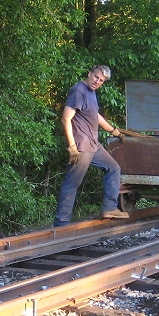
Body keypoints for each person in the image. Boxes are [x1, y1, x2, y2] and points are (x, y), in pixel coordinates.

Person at [53, 65, 129, 227]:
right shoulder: (79, 91)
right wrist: (72, 147)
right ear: (89, 74)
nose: (97, 81)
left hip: (93, 145)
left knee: (113, 168)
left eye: (101, 80)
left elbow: (95, 115)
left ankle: (109, 208)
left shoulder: (91, 93)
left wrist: (114, 131)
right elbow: (66, 119)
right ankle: (61, 224)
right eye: (96, 77)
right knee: (72, 183)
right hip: (81, 145)